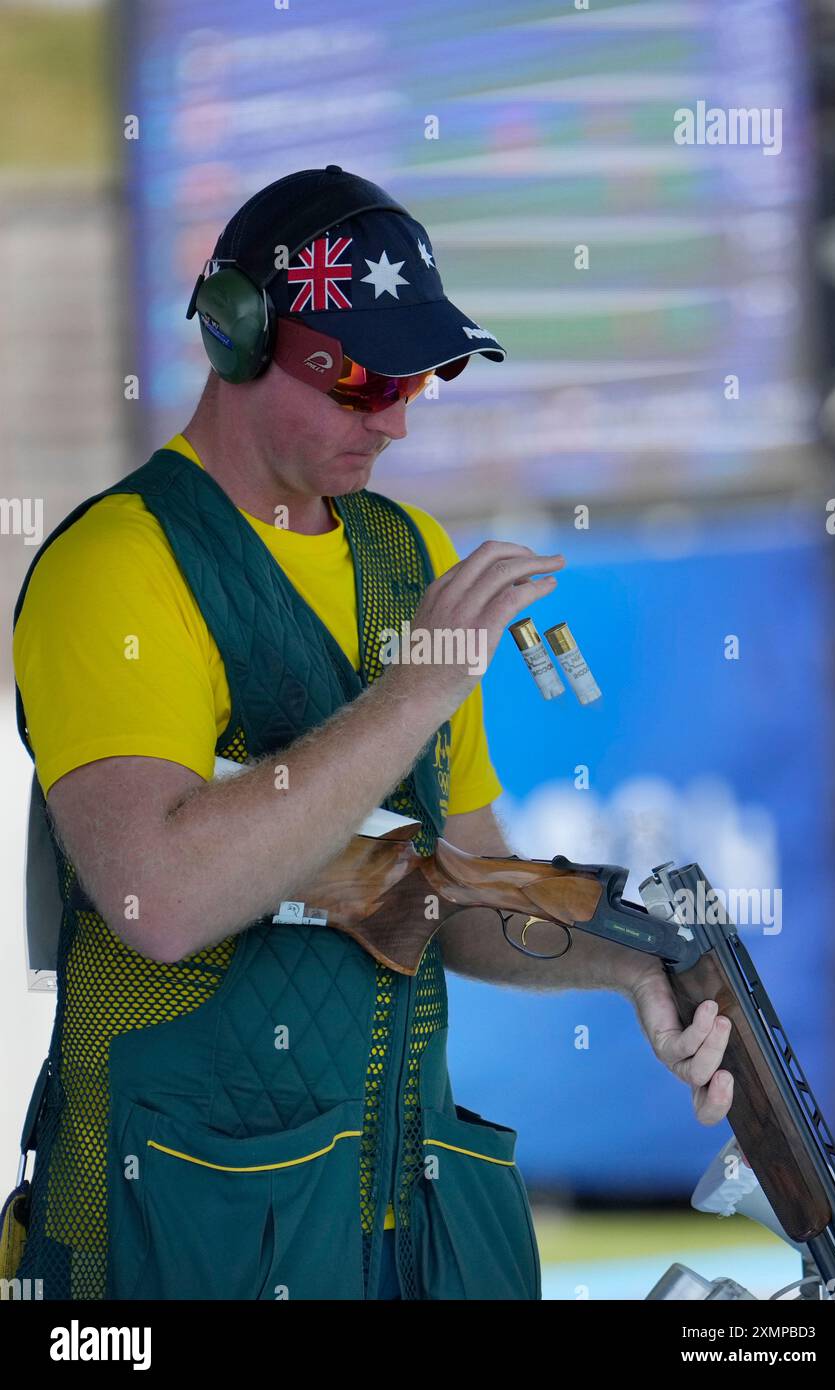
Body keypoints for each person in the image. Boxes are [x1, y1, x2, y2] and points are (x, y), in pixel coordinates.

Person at [11, 166, 733, 1302]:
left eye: (421, 377)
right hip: (172, 1251)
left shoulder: (410, 557)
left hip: (400, 1240)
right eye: (360, 380)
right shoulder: (116, 567)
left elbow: (448, 892)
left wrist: (627, 964)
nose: (395, 418)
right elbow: (157, 897)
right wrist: (410, 696)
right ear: (241, 336)